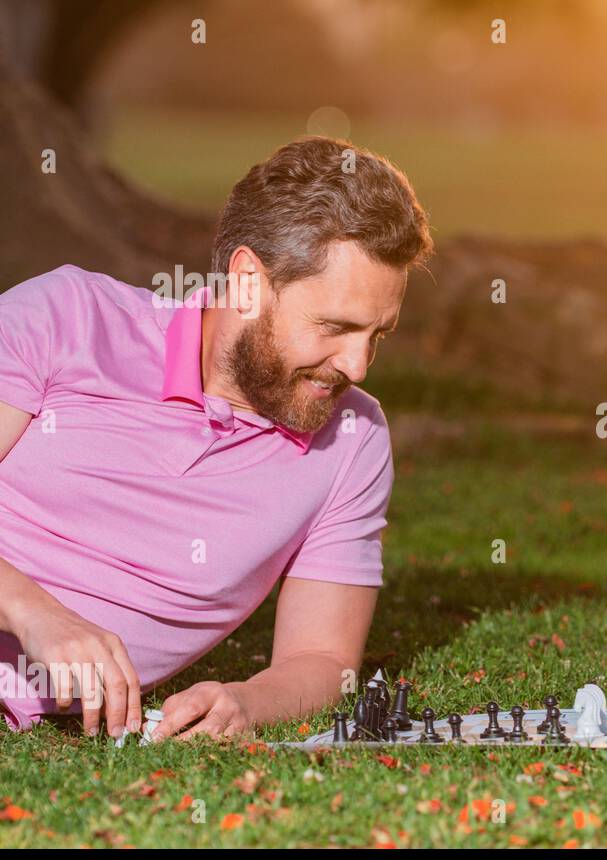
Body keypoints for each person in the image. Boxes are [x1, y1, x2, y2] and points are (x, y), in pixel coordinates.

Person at [0, 136, 432, 741]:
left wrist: (249, 703)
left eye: (378, 336)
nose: (357, 366)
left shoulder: (354, 440)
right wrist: (31, 610)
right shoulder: (67, 316)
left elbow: (323, 661)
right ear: (248, 281)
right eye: (336, 328)